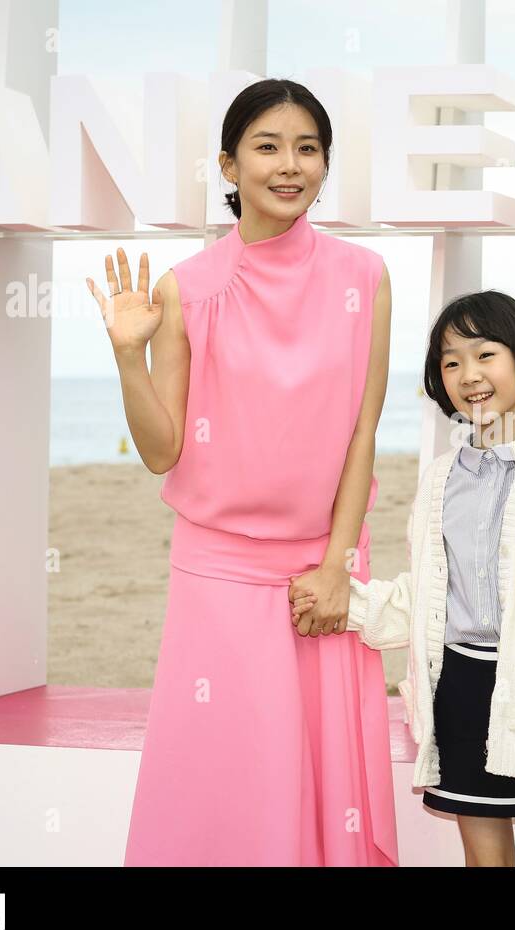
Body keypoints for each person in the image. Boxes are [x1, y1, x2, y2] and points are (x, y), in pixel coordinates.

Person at [85, 78, 397, 866]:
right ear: (228, 165)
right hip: (218, 576)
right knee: (226, 778)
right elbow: (162, 450)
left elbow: (362, 432)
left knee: (323, 789)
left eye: (307, 149)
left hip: (322, 575)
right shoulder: (184, 289)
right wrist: (127, 357)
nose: (289, 165)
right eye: (267, 147)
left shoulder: (365, 277)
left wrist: (337, 568)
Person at [291, 290, 515, 866]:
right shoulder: (441, 478)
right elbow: (429, 596)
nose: (469, 375)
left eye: (485, 354)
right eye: (451, 362)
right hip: (459, 689)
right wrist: (346, 601)